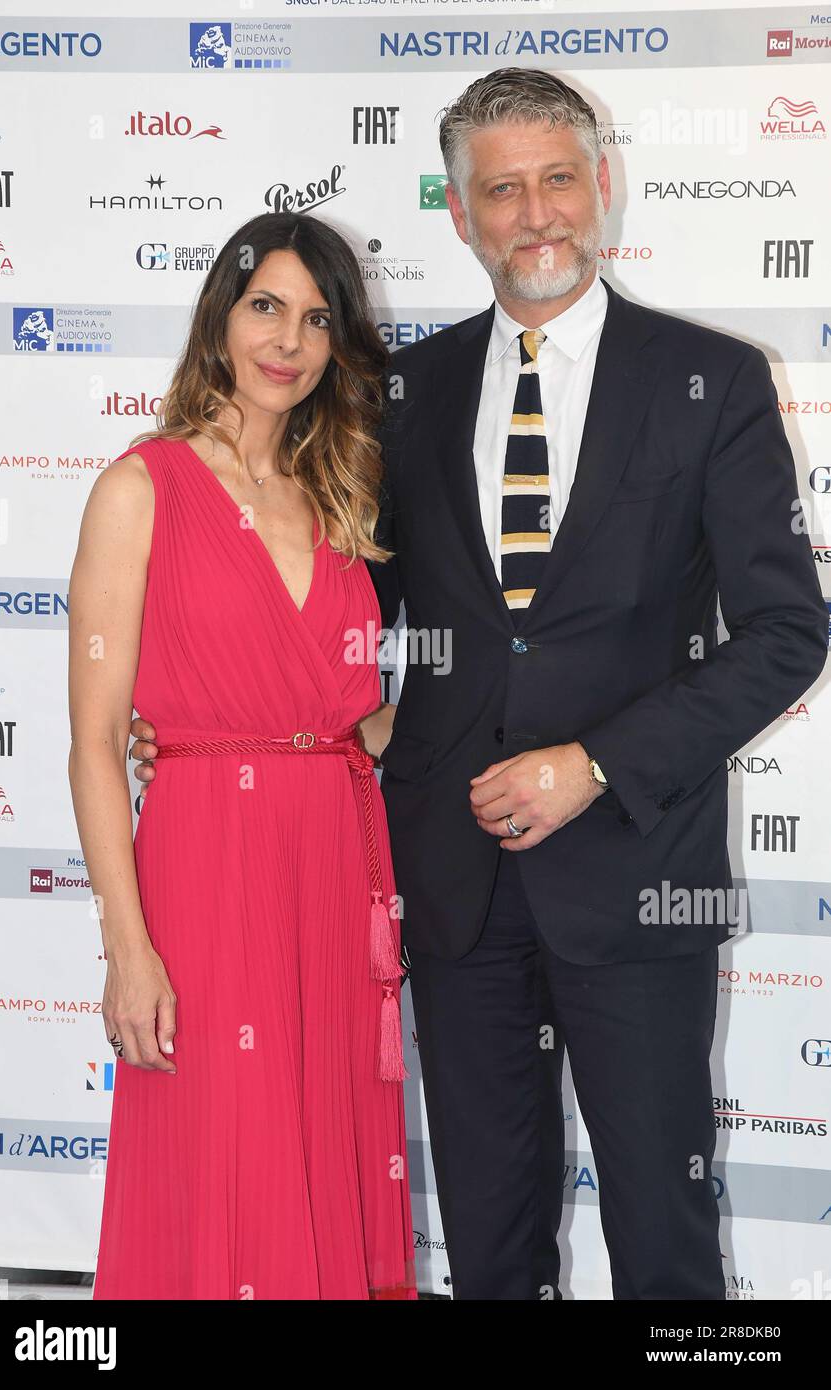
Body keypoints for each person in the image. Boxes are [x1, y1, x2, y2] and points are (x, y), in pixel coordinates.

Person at [131, 70, 827, 1300]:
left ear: (599, 186)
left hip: (634, 874)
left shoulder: (708, 383)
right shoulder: (397, 395)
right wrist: (215, 725)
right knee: (488, 1238)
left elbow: (783, 632)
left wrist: (595, 762)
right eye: (498, 189)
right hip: (450, 889)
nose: (533, 212)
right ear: (458, 214)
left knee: (662, 1232)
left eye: (556, 178)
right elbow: (344, 611)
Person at [69, 212, 417, 1300]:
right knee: (220, 1151)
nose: (290, 340)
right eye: (265, 305)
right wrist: (128, 947)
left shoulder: (341, 496)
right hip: (204, 870)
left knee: (320, 1144)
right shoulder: (142, 487)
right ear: (219, 316)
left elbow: (355, 713)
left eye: (317, 319)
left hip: (331, 865)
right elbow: (91, 747)